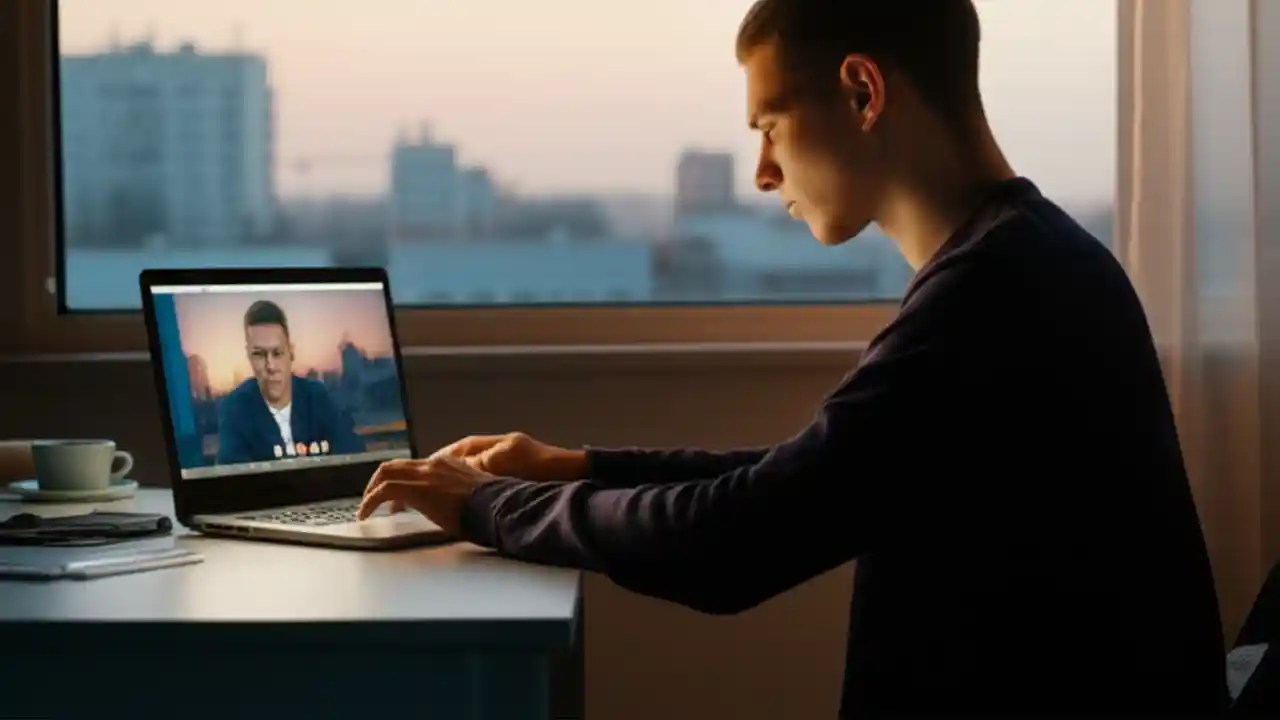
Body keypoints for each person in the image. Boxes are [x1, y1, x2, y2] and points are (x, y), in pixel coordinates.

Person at [358, 0, 1229, 714]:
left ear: (862, 92)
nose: (763, 173)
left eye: (770, 125)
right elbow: (812, 478)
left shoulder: (993, 293)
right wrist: (576, 468)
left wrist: (489, 507)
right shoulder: (1025, 259)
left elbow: (736, 541)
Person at [217, 300, 365, 464]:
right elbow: (231, 472)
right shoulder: (235, 409)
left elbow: (354, 454)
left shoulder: (318, 398)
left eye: (278, 353)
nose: (271, 366)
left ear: (291, 353)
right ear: (249, 357)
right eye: (259, 354)